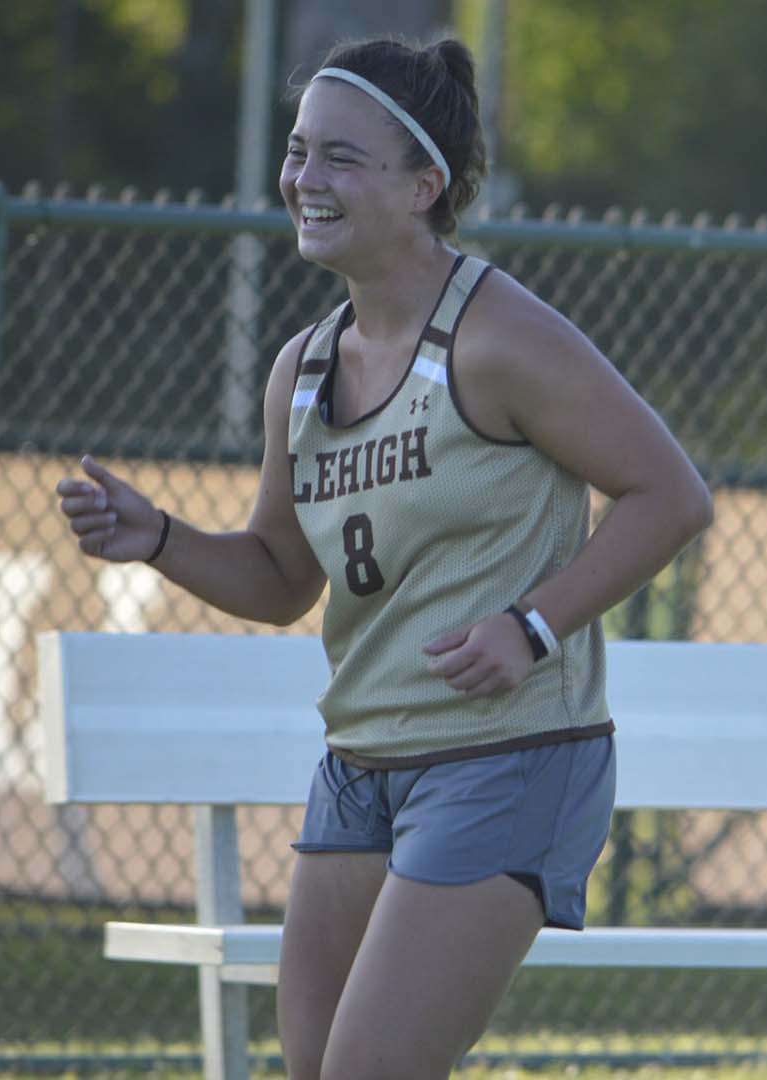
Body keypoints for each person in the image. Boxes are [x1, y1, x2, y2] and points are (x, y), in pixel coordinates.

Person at [54, 36, 712, 1080]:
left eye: (340, 158)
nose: (304, 180)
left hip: (508, 760)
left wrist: (532, 625)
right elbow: (279, 580)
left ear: (424, 185)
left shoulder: (499, 336)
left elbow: (672, 497)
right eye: (298, 151)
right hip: (359, 769)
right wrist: (163, 542)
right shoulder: (302, 369)